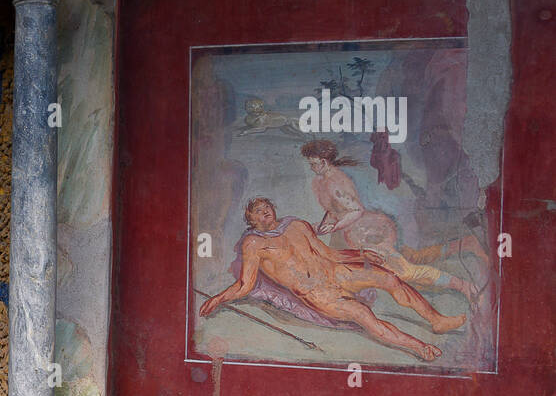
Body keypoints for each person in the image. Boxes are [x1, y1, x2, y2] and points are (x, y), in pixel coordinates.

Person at [200, 198, 465, 362]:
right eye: (257, 211)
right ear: (251, 220)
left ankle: (437, 320)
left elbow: (329, 253)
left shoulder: (297, 224)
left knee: (390, 279)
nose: (264, 211)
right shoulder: (253, 244)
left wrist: (360, 254)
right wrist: (218, 299)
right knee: (363, 314)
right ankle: (418, 347)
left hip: (337, 272)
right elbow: (246, 285)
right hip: (318, 293)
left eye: (265, 206)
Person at [302, 139, 485, 299]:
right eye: (311, 163)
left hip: (369, 231)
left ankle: (465, 286)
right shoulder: (318, 182)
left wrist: (333, 227)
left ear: (325, 162)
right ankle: (467, 244)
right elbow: (333, 210)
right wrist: (320, 226)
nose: (312, 167)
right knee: (411, 258)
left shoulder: (337, 182)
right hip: (352, 233)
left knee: (405, 272)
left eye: (314, 163)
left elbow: (356, 210)